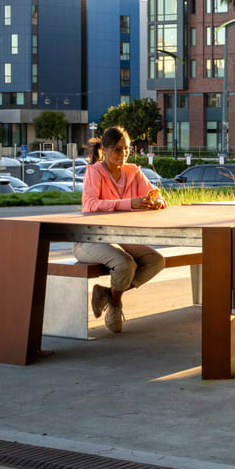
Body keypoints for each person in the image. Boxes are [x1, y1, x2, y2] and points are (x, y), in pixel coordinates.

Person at [77, 125, 167, 334]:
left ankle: (110, 295)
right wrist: (128, 203)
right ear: (106, 150)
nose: (124, 153)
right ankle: (115, 307)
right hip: (89, 238)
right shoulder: (95, 171)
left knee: (157, 261)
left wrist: (156, 202)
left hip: (120, 237)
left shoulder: (133, 171)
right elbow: (90, 204)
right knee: (125, 263)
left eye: (127, 149)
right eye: (118, 149)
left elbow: (157, 195)